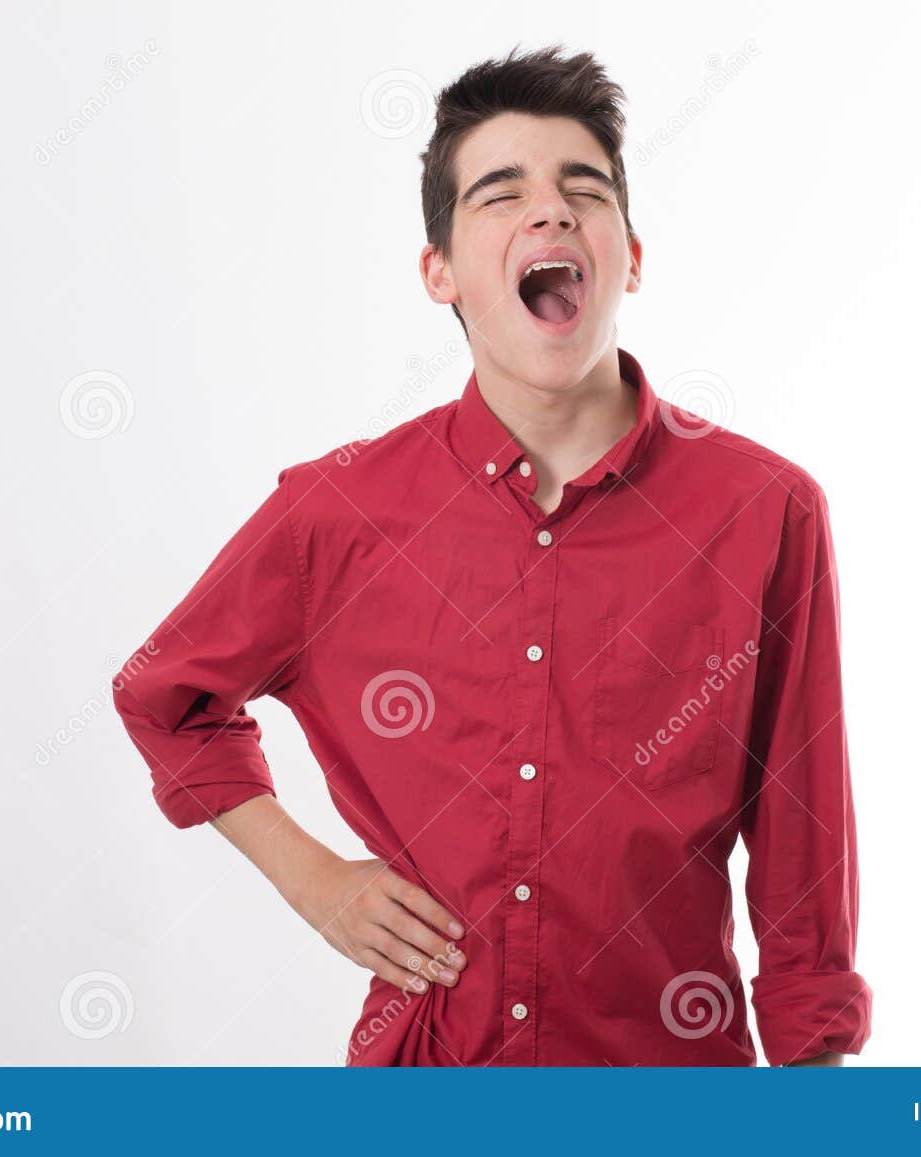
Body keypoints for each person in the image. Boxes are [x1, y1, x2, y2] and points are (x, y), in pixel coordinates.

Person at [112, 44, 871, 1066]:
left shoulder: (764, 510)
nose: (549, 213)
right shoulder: (339, 510)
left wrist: (817, 1076)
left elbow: (800, 833)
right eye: (499, 195)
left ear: (631, 255)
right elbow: (166, 697)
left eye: (582, 190)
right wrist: (316, 881)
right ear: (440, 272)